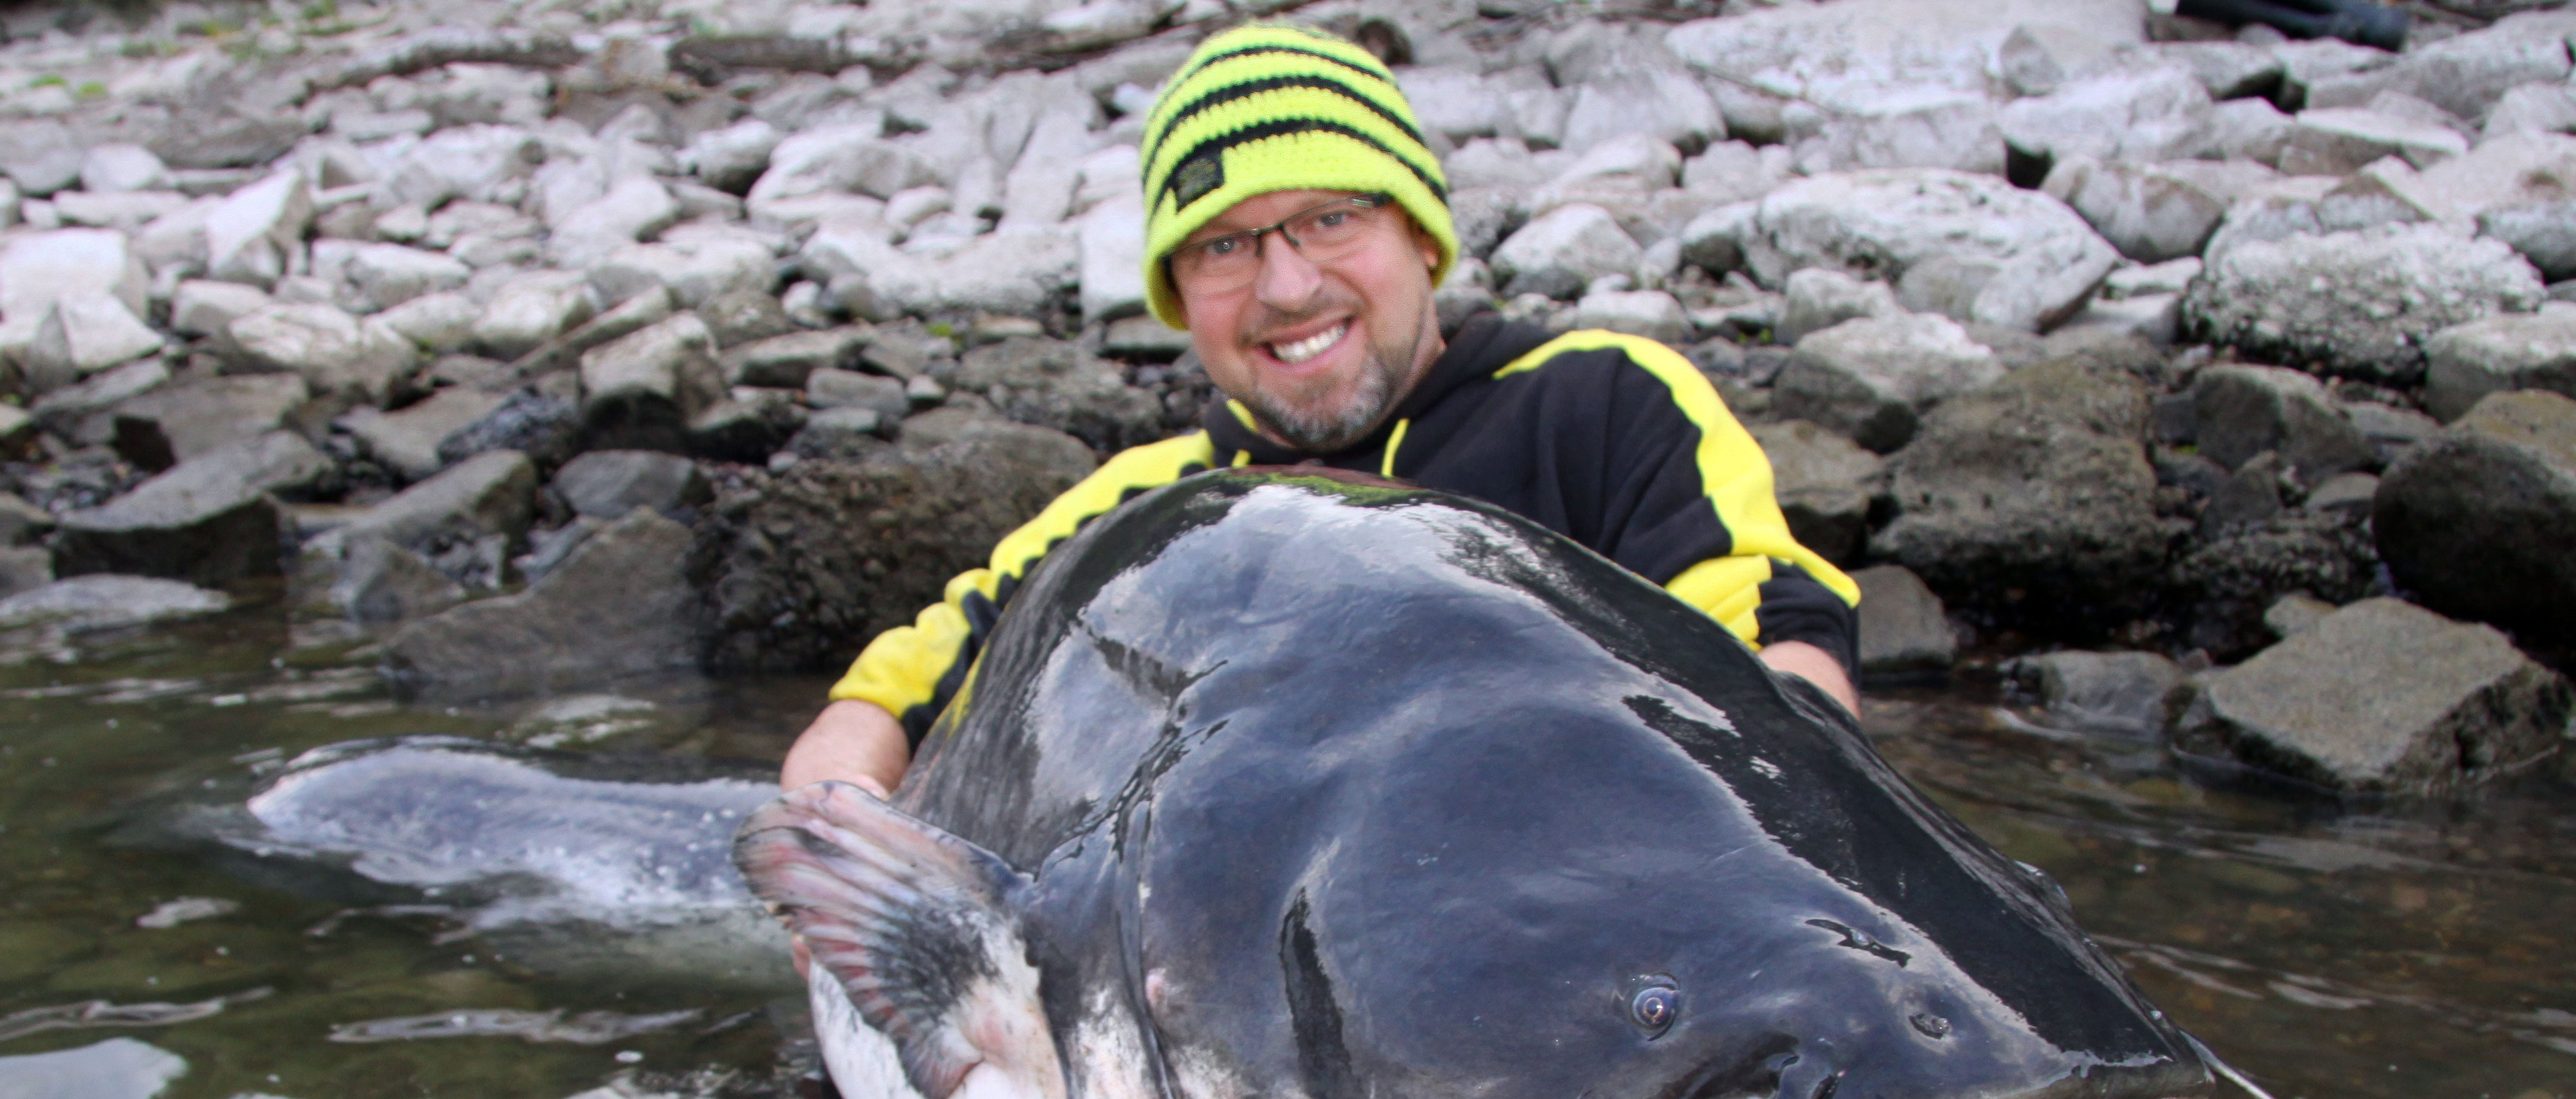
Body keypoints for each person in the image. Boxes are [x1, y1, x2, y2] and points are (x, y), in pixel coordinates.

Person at [782, 22, 1863, 800]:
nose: (1289, 286)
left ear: (1420, 235)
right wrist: (839, 836)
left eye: (1331, 219)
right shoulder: (1143, 511)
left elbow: (1775, 648)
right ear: (1178, 297)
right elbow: (892, 697)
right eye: (1223, 246)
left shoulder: (1603, 403)